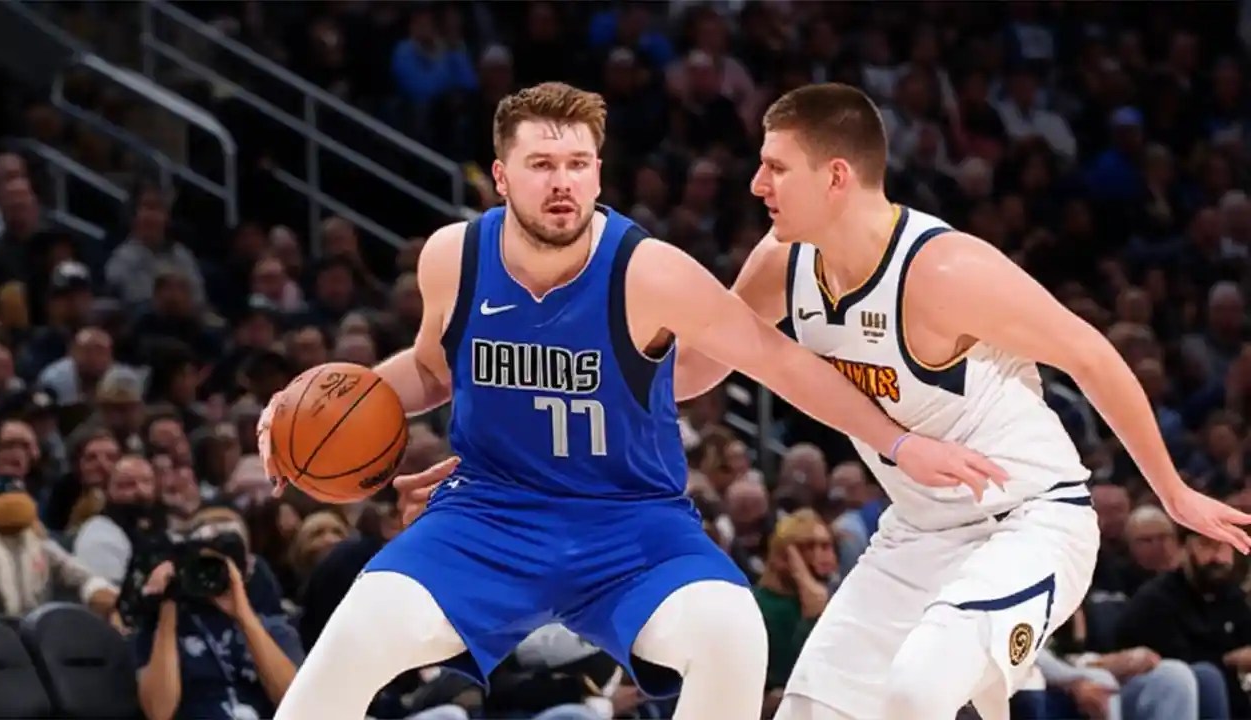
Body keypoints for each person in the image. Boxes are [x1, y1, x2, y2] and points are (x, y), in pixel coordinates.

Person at [259, 82, 1004, 720]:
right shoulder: (453, 256)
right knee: (354, 636)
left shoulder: (649, 272)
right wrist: (302, 406)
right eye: (542, 165)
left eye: (579, 165)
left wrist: (902, 443)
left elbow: (777, 359)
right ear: (501, 176)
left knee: (731, 633)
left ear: (598, 174)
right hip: (487, 516)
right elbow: (432, 370)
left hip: (631, 526)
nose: (563, 183)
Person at [673, 82, 1251, 720]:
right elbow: (697, 365)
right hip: (917, 531)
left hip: (1029, 521)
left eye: (776, 167)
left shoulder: (942, 271)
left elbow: (1089, 353)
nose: (756, 183)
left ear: (835, 176)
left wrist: (1171, 491)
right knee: (809, 712)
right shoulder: (783, 263)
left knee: (918, 691)